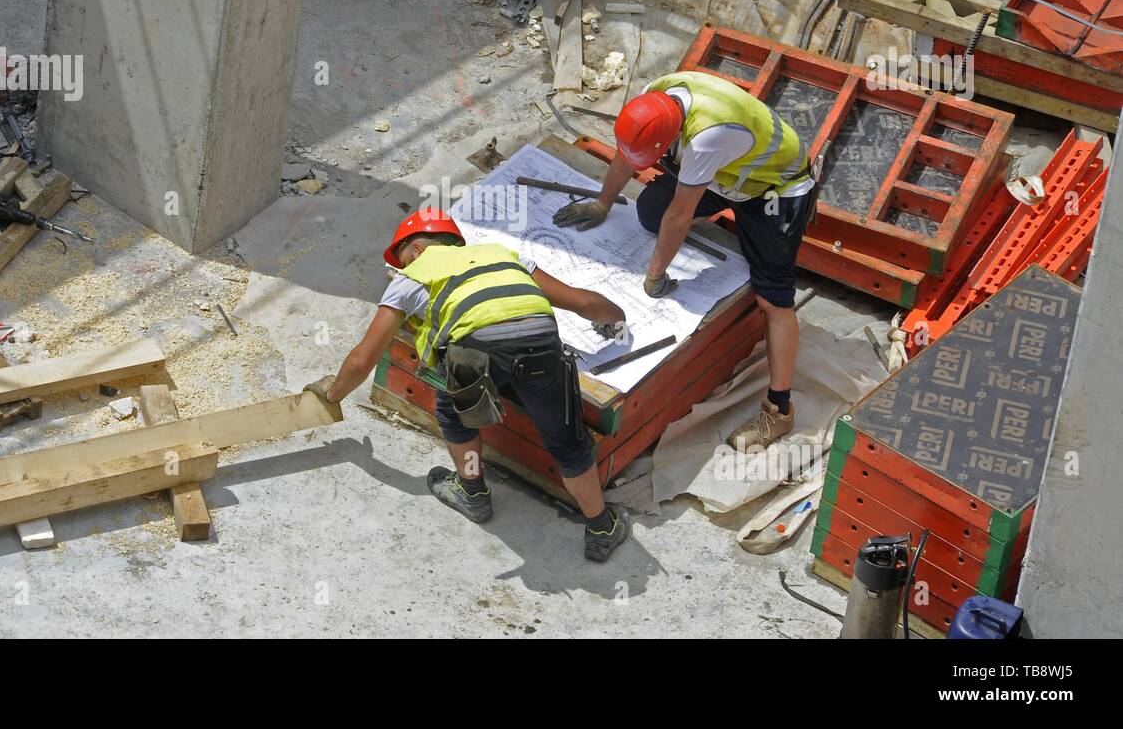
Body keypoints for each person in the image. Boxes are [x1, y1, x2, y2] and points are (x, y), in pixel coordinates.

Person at [305, 210, 633, 561]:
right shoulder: (503, 256)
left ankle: (473, 492)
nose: (401, 268)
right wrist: (617, 321)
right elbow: (584, 302)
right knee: (566, 440)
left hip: (476, 349)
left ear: (416, 249)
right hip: (539, 344)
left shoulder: (410, 278)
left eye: (401, 260)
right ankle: (601, 527)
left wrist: (332, 393)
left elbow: (363, 358)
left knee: (454, 414)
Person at [553, 70, 816, 450]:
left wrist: (654, 276)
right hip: (724, 175)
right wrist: (602, 202)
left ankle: (779, 410)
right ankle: (729, 229)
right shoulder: (653, 100)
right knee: (648, 213)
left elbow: (680, 213)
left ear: (671, 138)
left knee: (772, 300)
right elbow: (629, 157)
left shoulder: (708, 137)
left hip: (773, 188)